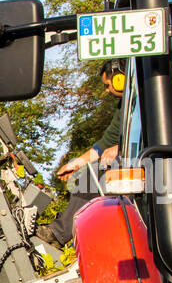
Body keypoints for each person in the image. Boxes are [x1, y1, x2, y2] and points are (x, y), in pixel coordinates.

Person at [39, 59, 126, 248]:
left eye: (107, 85)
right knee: (91, 172)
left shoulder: (151, 95)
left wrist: (121, 148)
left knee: (93, 175)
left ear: (120, 79)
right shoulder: (124, 106)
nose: (106, 90)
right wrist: (75, 163)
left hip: (153, 160)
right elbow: (104, 144)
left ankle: (59, 233)